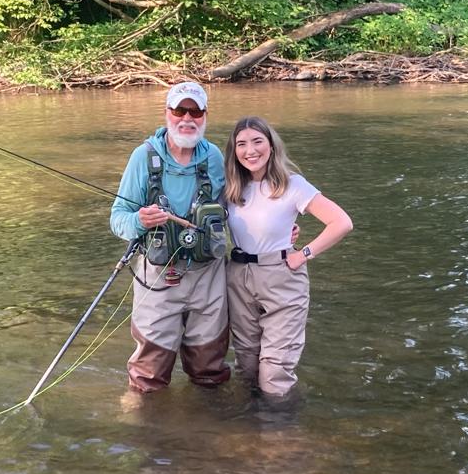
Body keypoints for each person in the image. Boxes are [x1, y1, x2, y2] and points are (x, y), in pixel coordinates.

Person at [110, 82, 232, 393]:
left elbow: (237, 208)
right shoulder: (143, 156)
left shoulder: (215, 157)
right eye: (179, 110)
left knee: (210, 368)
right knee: (147, 376)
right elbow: (118, 218)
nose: (186, 119)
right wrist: (139, 220)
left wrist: (283, 231)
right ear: (167, 113)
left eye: (195, 111)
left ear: (205, 116)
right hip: (158, 277)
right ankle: (144, 430)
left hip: (208, 275)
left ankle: (214, 427)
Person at [223, 116, 353, 397]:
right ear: (234, 151)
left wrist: (303, 254)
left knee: (274, 373)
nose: (250, 151)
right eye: (242, 144)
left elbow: (341, 222)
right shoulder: (231, 188)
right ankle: (244, 433)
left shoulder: (293, 185)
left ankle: (281, 435)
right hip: (238, 276)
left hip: (282, 277)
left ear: (271, 145)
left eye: (258, 141)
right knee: (246, 364)